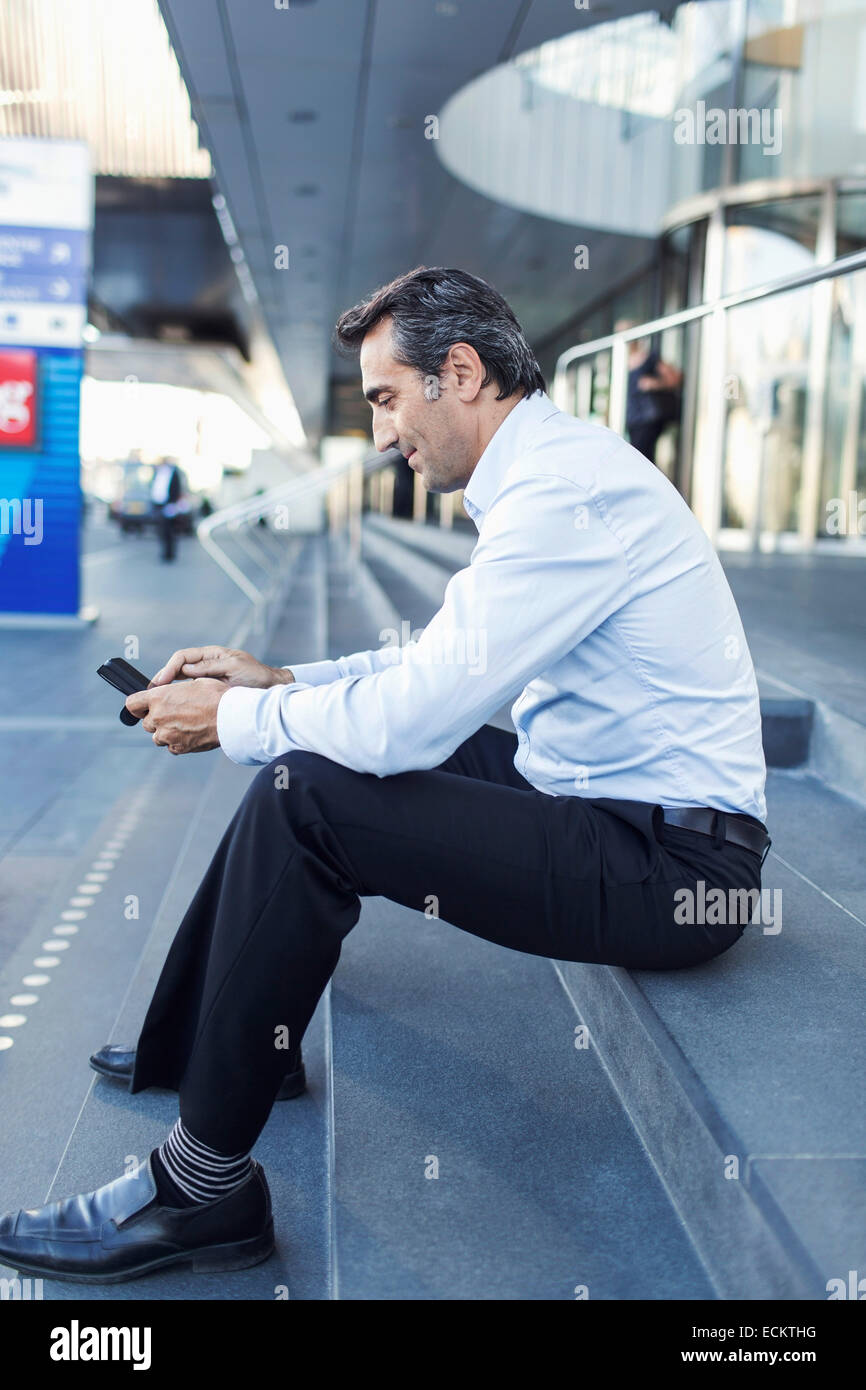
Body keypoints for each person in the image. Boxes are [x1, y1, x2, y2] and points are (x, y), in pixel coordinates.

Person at [0, 267, 770, 1283]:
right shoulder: (544, 473)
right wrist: (281, 681)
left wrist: (235, 716)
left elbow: (411, 718)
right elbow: (429, 668)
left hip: (672, 865)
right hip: (587, 789)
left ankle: (202, 1190)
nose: (378, 435)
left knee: (306, 788)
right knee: (307, 745)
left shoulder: (564, 492)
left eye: (384, 397)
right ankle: (226, 1034)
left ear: (458, 373)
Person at [616, 318, 683, 465]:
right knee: (637, 457)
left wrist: (656, 383)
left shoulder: (649, 358)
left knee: (642, 458)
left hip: (647, 418)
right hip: (630, 418)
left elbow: (675, 378)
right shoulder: (618, 361)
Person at [150, 457, 183, 562]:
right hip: (158, 504)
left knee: (169, 530)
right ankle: (164, 552)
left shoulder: (173, 473)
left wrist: (173, 504)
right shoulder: (157, 473)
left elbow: (177, 489)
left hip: (169, 504)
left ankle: (170, 553)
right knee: (161, 530)